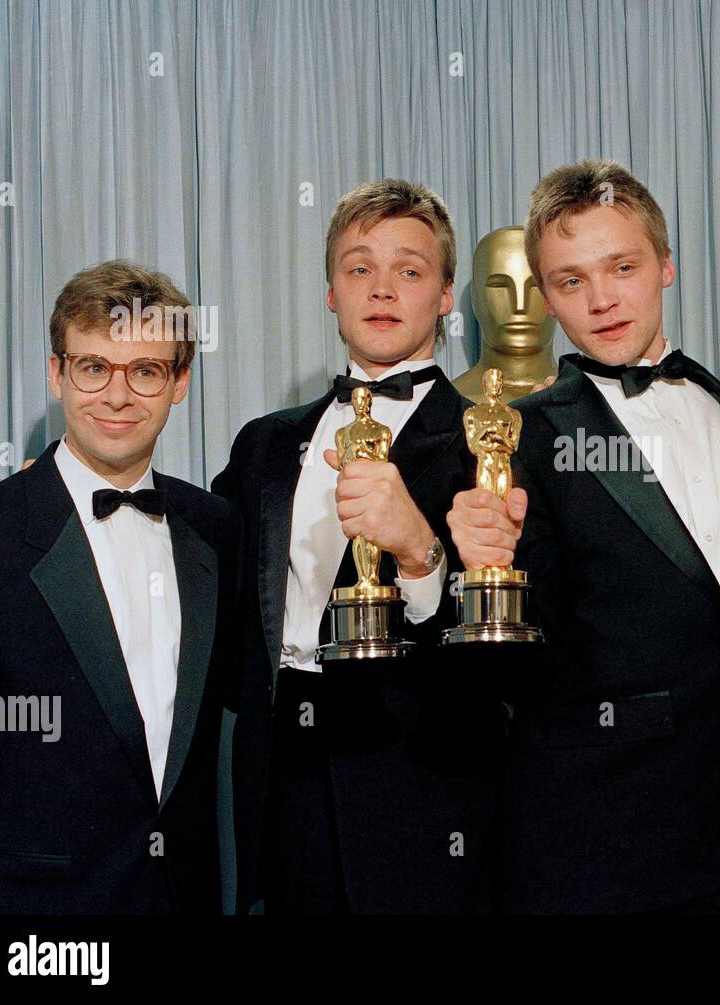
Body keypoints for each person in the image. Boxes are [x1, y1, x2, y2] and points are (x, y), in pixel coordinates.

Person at [446, 160, 720, 913]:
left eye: (622, 266)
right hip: (599, 850)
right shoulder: (526, 437)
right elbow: (511, 674)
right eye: (570, 280)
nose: (602, 299)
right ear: (549, 295)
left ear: (666, 264)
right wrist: (477, 573)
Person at [212, 179, 503, 914]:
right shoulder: (263, 445)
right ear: (331, 293)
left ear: (445, 295)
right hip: (279, 781)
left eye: (409, 269)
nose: (381, 288)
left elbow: (509, 661)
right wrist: (48, 500)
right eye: (358, 267)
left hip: (420, 786)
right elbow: (199, 579)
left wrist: (421, 554)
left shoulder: (493, 442)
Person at [0, 261, 239, 913]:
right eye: (93, 367)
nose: (118, 396)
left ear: (179, 383)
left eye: (145, 370)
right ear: (58, 375)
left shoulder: (217, 528)